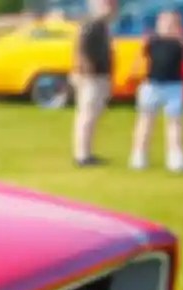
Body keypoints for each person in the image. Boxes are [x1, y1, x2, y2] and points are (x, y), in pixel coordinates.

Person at [130, 10, 183, 172]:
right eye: (165, 23)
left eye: (173, 24)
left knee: (175, 123)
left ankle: (176, 156)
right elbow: (139, 61)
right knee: (145, 121)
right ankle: (139, 154)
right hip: (152, 85)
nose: (168, 27)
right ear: (159, 25)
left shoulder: (181, 43)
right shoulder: (152, 41)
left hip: (174, 86)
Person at [72, 0, 118, 167]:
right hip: (91, 76)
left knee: (91, 115)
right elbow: (81, 49)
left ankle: (86, 152)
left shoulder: (101, 26)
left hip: (98, 75)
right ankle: (82, 155)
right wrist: (85, 71)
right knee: (87, 115)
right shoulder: (92, 25)